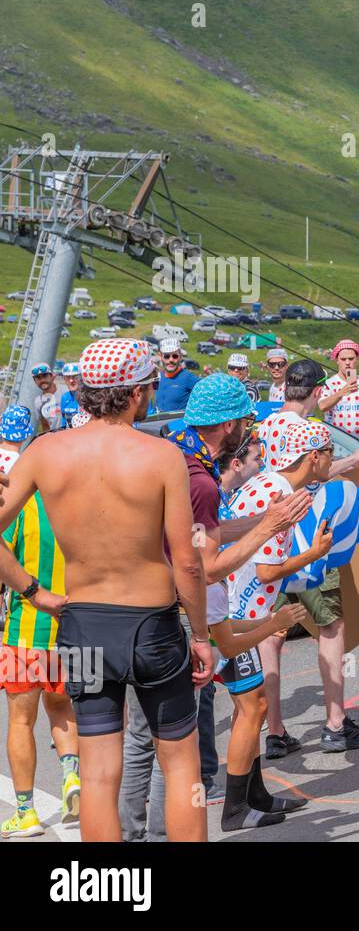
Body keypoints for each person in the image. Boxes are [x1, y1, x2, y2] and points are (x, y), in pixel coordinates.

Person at [0, 338, 214, 842]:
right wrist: (201, 633)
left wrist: (33, 592)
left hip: (83, 624)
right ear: (137, 392)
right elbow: (187, 560)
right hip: (152, 625)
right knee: (182, 764)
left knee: (97, 774)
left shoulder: (45, 451)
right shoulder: (162, 456)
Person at [138, 374, 317, 834]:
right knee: (174, 745)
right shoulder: (198, 479)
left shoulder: (179, 453)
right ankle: (221, 812)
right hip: (198, 612)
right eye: (243, 422)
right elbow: (209, 566)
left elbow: (206, 537)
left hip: (188, 610)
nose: (247, 432)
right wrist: (268, 526)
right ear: (227, 424)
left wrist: (266, 523)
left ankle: (248, 797)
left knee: (243, 706)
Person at [227, 420, 359, 753]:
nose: (332, 460)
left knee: (248, 705)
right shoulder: (283, 496)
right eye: (330, 453)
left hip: (236, 608)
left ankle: (266, 752)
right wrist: (313, 554)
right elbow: (267, 572)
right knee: (247, 707)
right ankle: (237, 793)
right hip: (237, 613)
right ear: (313, 456)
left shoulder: (269, 480)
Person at [0, 406, 80, 838]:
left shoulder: (20, 498)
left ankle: (27, 810)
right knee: (65, 708)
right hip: (75, 625)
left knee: (19, 721)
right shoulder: (82, 496)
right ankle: (73, 779)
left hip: (25, 627)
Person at [320, 339, 359, 444]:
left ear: (357, 359)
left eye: (351, 359)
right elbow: (322, 406)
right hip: (337, 445)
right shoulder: (329, 384)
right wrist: (341, 392)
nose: (347, 363)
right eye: (343, 359)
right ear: (337, 360)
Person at [155, 339, 200, 412]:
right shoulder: (158, 377)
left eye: (175, 356)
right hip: (159, 422)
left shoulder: (188, 377)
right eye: (166, 356)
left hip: (180, 422)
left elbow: (208, 392)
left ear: (180, 356)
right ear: (160, 356)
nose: (171, 360)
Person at [30, 363, 63, 433]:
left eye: (45, 376)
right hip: (56, 440)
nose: (42, 380)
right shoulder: (38, 402)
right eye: (38, 378)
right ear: (34, 381)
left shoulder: (66, 391)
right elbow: (45, 425)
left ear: (51, 376)